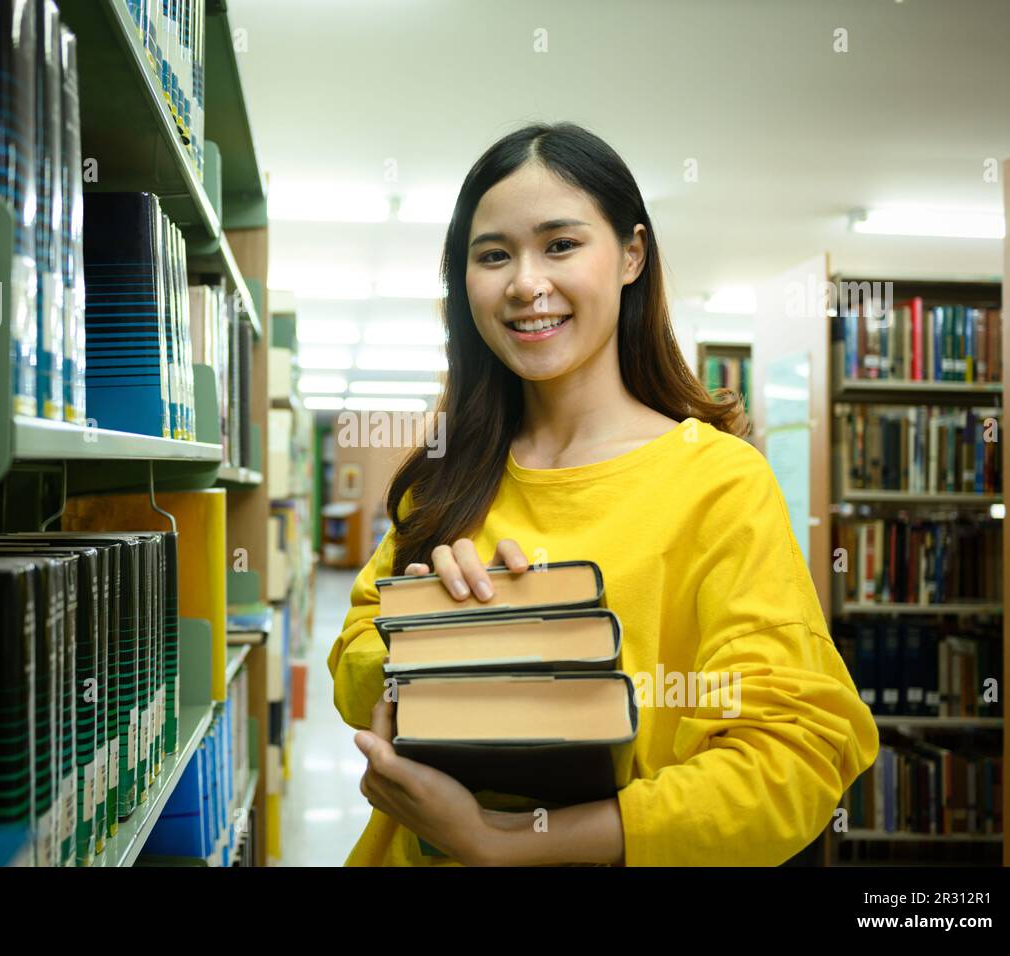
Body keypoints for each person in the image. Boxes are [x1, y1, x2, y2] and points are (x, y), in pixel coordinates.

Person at [328, 121, 879, 866]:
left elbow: (794, 756)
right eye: (494, 255)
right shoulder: (446, 474)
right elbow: (354, 655)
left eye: (560, 244)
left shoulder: (718, 482)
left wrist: (506, 842)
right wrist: (427, 644)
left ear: (631, 255)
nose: (526, 283)